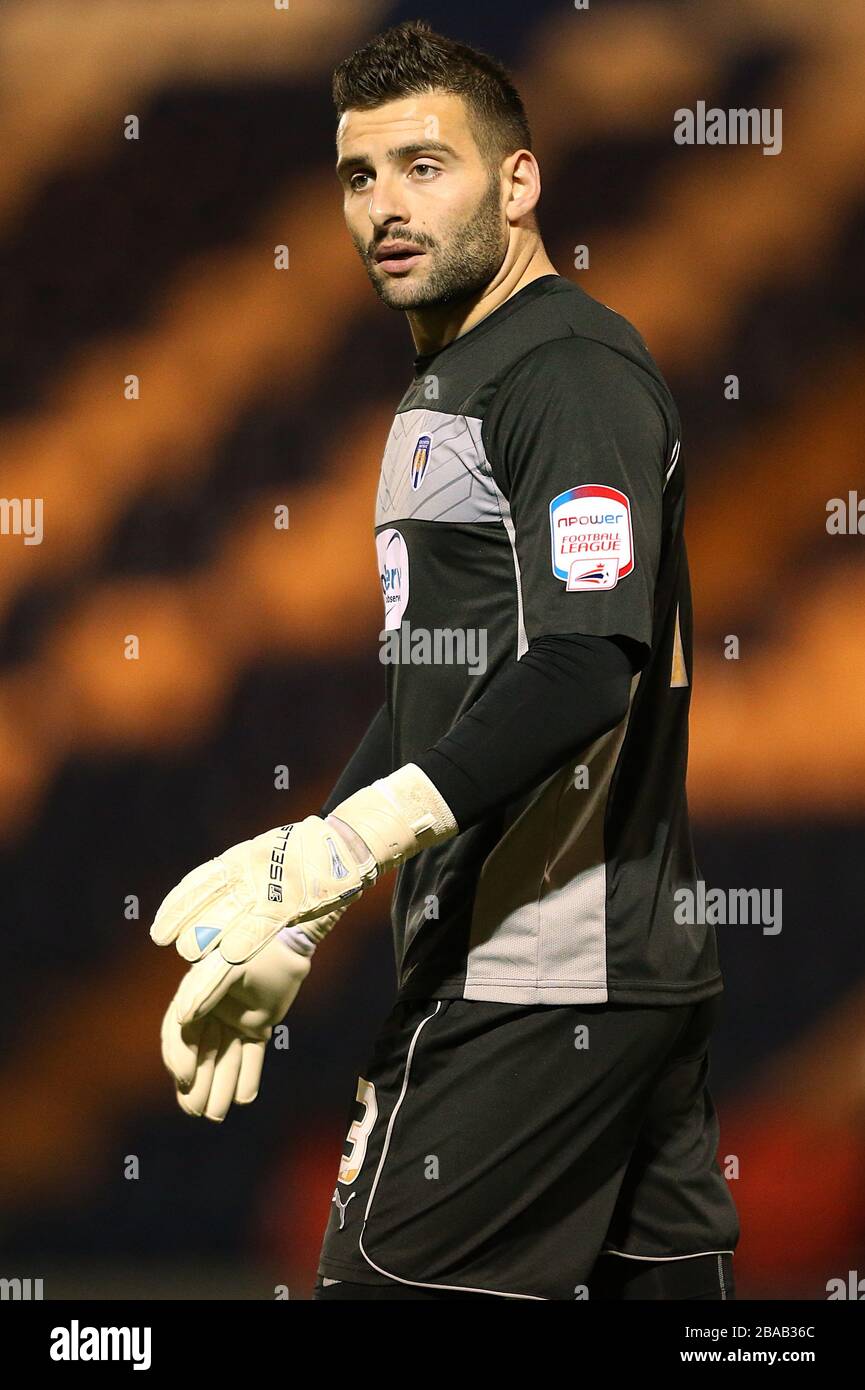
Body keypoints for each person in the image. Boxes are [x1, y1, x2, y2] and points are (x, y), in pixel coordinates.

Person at [150, 20, 740, 1302]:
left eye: (427, 166)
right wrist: (309, 891)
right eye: (360, 177)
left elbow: (588, 665)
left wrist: (345, 846)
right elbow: (446, 687)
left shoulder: (565, 369)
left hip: (541, 960)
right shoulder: (452, 380)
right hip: (601, 955)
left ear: (519, 183)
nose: (384, 209)